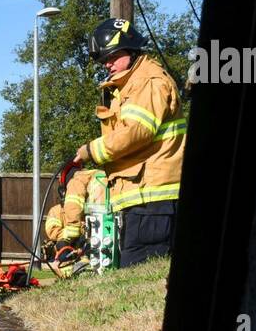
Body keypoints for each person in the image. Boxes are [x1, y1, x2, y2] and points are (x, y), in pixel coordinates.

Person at [73, 17, 187, 267]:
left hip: (153, 200)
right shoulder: (132, 84)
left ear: (131, 50)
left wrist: (91, 150)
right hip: (145, 200)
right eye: (105, 60)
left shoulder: (147, 81)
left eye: (112, 56)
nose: (108, 64)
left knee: (139, 268)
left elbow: (135, 132)